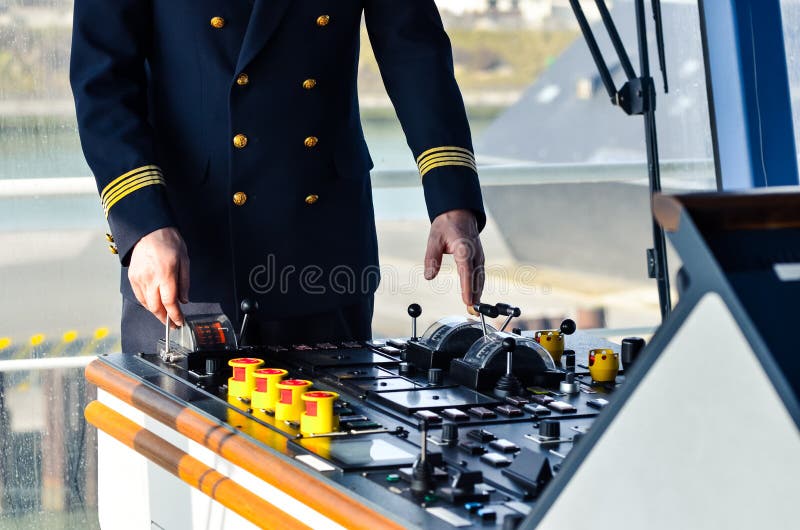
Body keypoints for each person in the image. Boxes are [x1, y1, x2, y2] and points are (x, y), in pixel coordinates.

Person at [70, 0, 486, 353]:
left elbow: (415, 53)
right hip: (185, 257)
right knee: (178, 445)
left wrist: (453, 199)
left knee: (332, 444)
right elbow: (102, 82)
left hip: (320, 250)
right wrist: (143, 225)